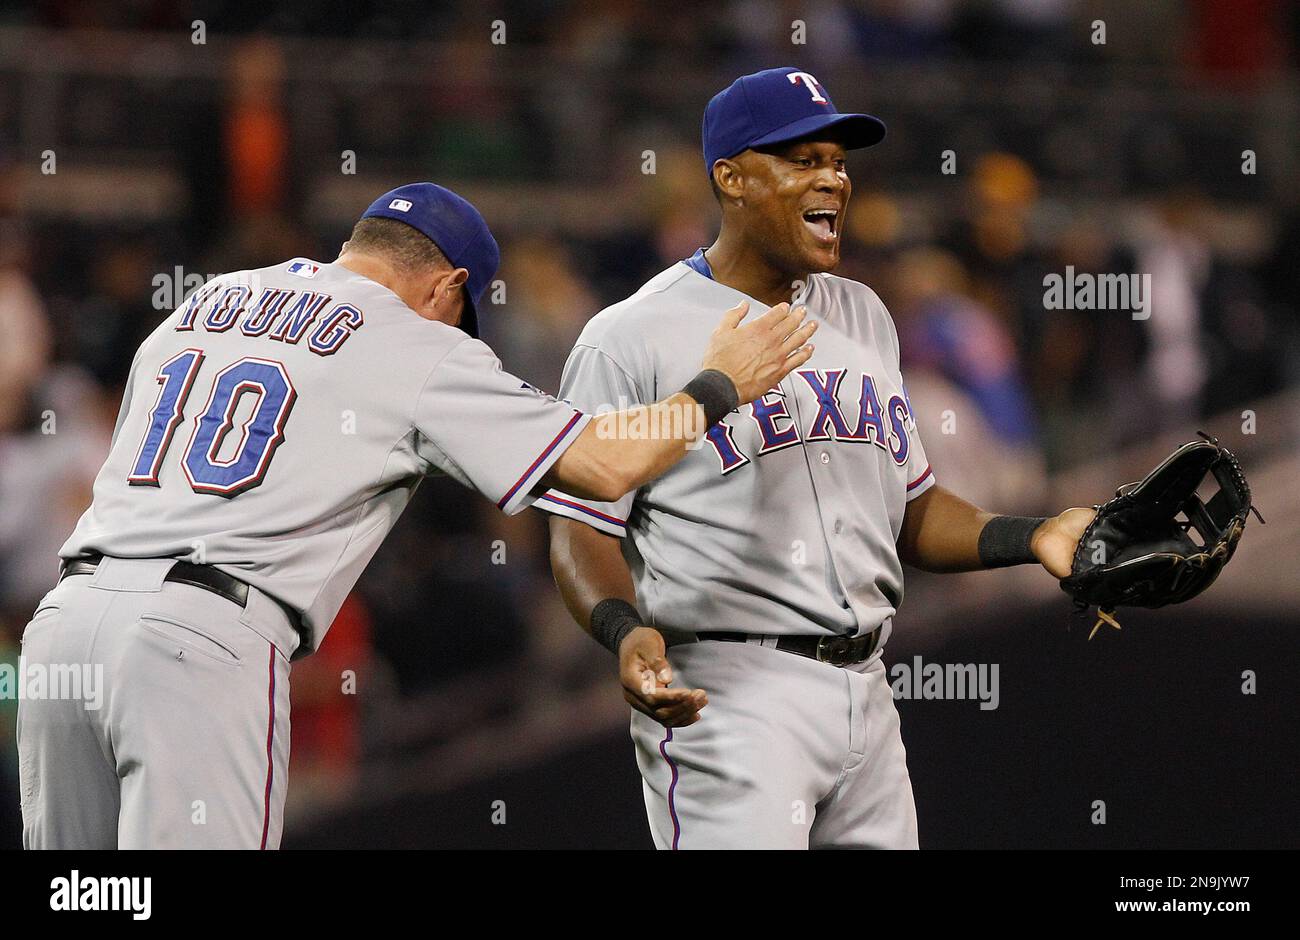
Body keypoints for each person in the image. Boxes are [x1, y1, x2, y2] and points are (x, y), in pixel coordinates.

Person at [15, 181, 818, 849]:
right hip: (198, 638)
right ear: (448, 287)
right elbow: (606, 465)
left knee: (85, 902)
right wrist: (715, 386)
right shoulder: (413, 339)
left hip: (65, 624)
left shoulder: (214, 297)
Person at [544, 68, 1093, 849]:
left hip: (871, 688)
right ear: (730, 178)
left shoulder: (864, 314)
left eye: (837, 159)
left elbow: (913, 510)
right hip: (730, 696)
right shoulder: (629, 336)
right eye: (802, 159)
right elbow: (578, 528)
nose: (832, 177)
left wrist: (1030, 537)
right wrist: (623, 630)